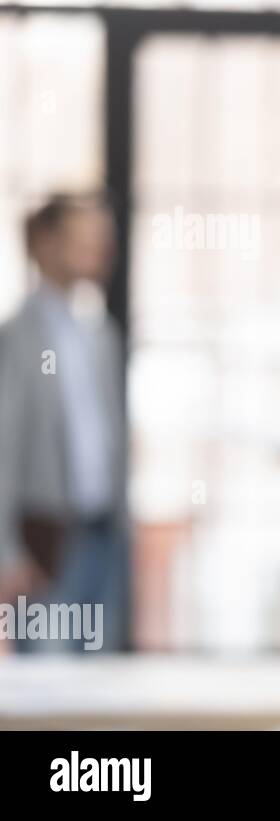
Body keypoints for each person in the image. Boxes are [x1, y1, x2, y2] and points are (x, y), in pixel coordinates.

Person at [0, 193, 130, 653]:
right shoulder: (15, 337)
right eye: (85, 234)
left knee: (101, 694)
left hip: (102, 535)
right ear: (44, 242)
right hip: (43, 539)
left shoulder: (102, 335)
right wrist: (6, 553)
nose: (101, 246)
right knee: (49, 692)